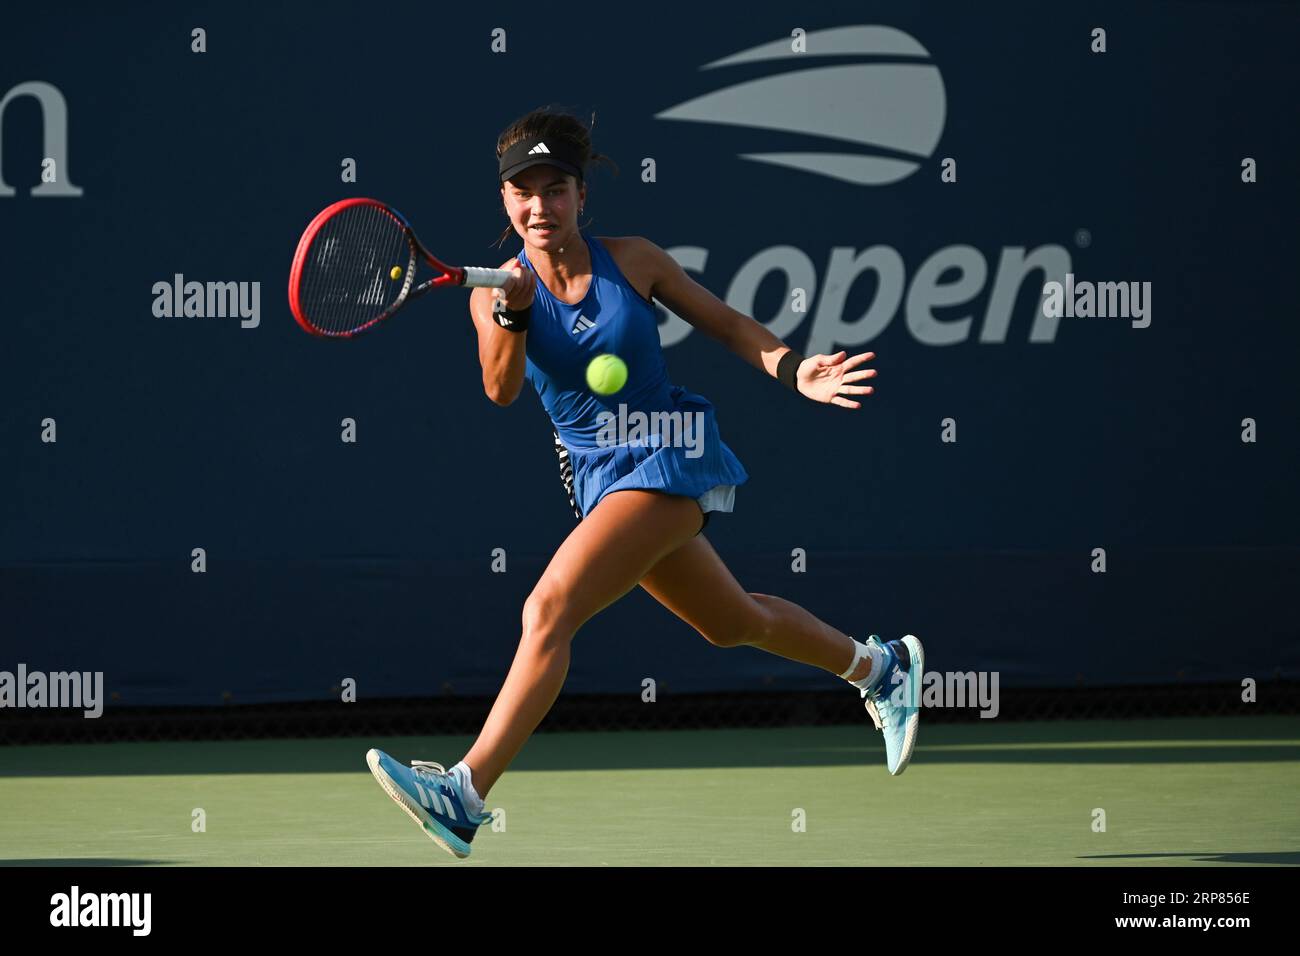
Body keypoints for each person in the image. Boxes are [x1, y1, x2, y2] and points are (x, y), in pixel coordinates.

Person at [366, 106, 923, 859]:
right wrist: (512, 310)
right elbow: (499, 390)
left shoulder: (634, 260)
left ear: (580, 195)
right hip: (599, 482)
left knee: (548, 608)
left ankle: (464, 793)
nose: (540, 205)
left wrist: (796, 370)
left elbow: (725, 324)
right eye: (524, 191)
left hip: (669, 456)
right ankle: (880, 668)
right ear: (504, 201)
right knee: (734, 622)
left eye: (555, 188)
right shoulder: (489, 294)